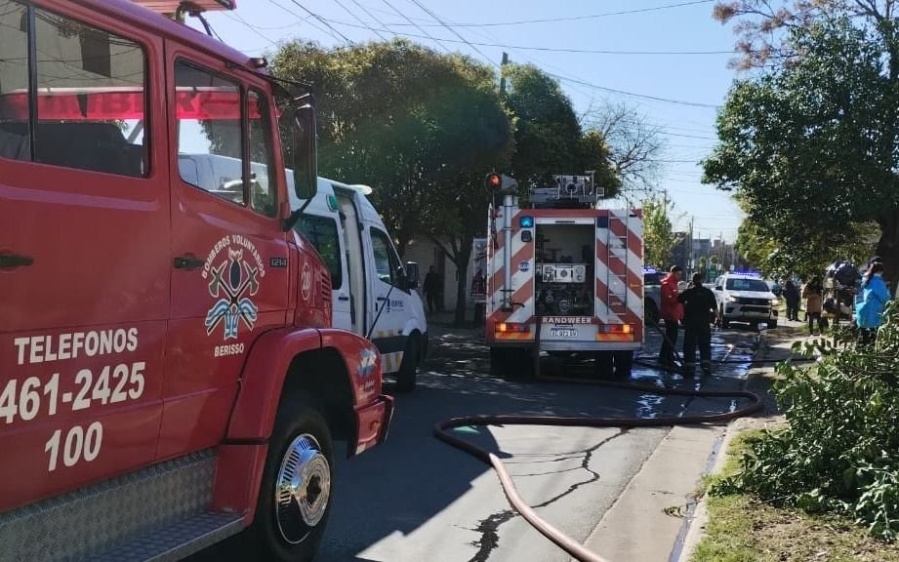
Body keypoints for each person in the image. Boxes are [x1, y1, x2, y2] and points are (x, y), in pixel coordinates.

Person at [678, 273, 717, 376]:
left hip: (691, 322)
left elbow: (679, 299)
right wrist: (715, 320)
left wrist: (688, 288)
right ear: (702, 280)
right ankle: (706, 364)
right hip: (704, 322)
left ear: (692, 280)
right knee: (704, 343)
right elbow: (715, 309)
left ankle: (690, 366)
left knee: (690, 344)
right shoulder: (708, 292)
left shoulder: (689, 292)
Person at [855, 261, 891, 347]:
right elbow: (884, 297)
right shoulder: (877, 281)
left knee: (862, 336)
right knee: (871, 338)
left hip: (862, 311)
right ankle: (868, 354)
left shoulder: (865, 279)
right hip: (873, 312)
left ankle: (860, 353)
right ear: (880, 271)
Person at [657, 265, 684, 368]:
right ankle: (665, 358)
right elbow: (668, 299)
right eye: (678, 274)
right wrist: (679, 299)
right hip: (670, 314)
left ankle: (667, 356)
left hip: (673, 314)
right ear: (673, 273)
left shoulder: (673, 283)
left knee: (671, 337)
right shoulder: (667, 284)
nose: (679, 276)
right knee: (670, 337)